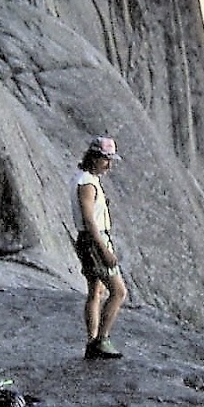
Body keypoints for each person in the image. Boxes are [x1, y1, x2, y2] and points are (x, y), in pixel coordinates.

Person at [72, 136, 128, 360]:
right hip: (95, 241)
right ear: (94, 158)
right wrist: (104, 250)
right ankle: (101, 339)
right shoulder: (87, 183)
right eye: (106, 160)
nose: (109, 165)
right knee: (119, 292)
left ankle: (92, 340)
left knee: (96, 291)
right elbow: (88, 219)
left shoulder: (85, 179)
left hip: (88, 240)